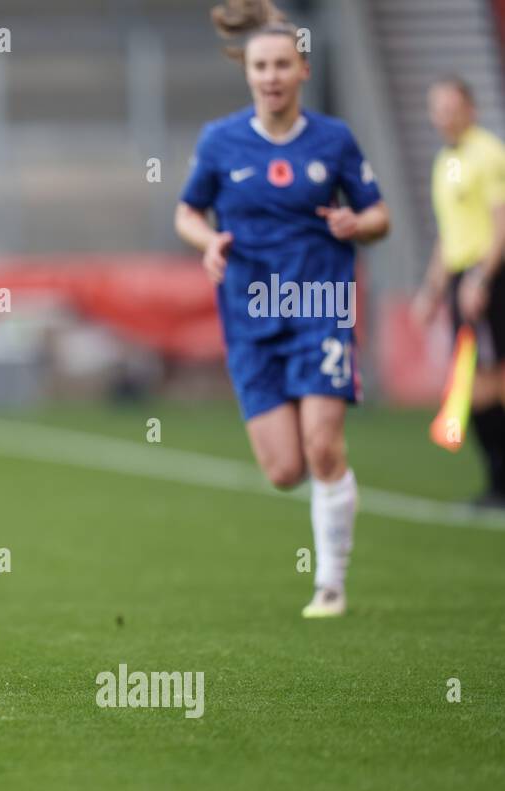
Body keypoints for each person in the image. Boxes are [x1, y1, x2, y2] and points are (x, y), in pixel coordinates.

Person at [175, 1, 390, 617]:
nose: (270, 75)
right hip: (249, 319)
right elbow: (187, 211)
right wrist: (206, 240)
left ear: (302, 70)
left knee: (324, 448)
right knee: (284, 470)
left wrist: (357, 222)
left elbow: (381, 215)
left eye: (282, 65)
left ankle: (331, 584)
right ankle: (326, 557)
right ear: (248, 71)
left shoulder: (334, 139)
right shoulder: (219, 141)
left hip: (320, 307)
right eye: (260, 65)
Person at [411, 75, 505, 507]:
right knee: (476, 379)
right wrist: (433, 290)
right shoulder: (444, 162)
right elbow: (449, 234)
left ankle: (499, 482)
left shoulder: (487, 153)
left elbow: (500, 222)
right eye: (438, 109)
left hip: (489, 277)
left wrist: (482, 279)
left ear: (472, 109)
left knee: (490, 379)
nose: (445, 116)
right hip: (462, 278)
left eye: (452, 107)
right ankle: (497, 482)